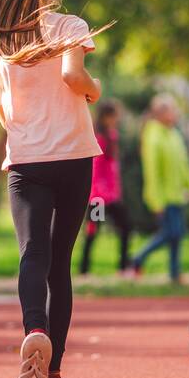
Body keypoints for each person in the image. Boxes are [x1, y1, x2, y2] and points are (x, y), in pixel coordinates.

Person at [0, 0, 108, 378]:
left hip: (27, 161)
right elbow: (75, 79)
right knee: (60, 264)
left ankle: (34, 330)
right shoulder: (70, 25)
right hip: (75, 157)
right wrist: (95, 92)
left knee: (31, 253)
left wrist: (22, 131)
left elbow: (0, 107)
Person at [129, 95, 189, 284]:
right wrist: (156, 201)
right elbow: (152, 171)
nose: (176, 114)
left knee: (176, 235)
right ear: (161, 114)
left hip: (178, 195)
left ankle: (174, 273)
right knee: (171, 233)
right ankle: (138, 258)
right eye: (173, 110)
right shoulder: (153, 136)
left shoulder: (174, 134)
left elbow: (185, 167)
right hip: (163, 198)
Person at [79, 102, 133, 275]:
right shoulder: (99, 138)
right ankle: (84, 270)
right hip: (99, 198)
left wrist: (116, 192)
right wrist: (98, 194)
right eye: (115, 116)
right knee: (93, 231)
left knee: (126, 227)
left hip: (112, 197)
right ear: (106, 117)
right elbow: (95, 168)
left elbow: (112, 170)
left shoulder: (112, 135)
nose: (117, 119)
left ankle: (123, 267)